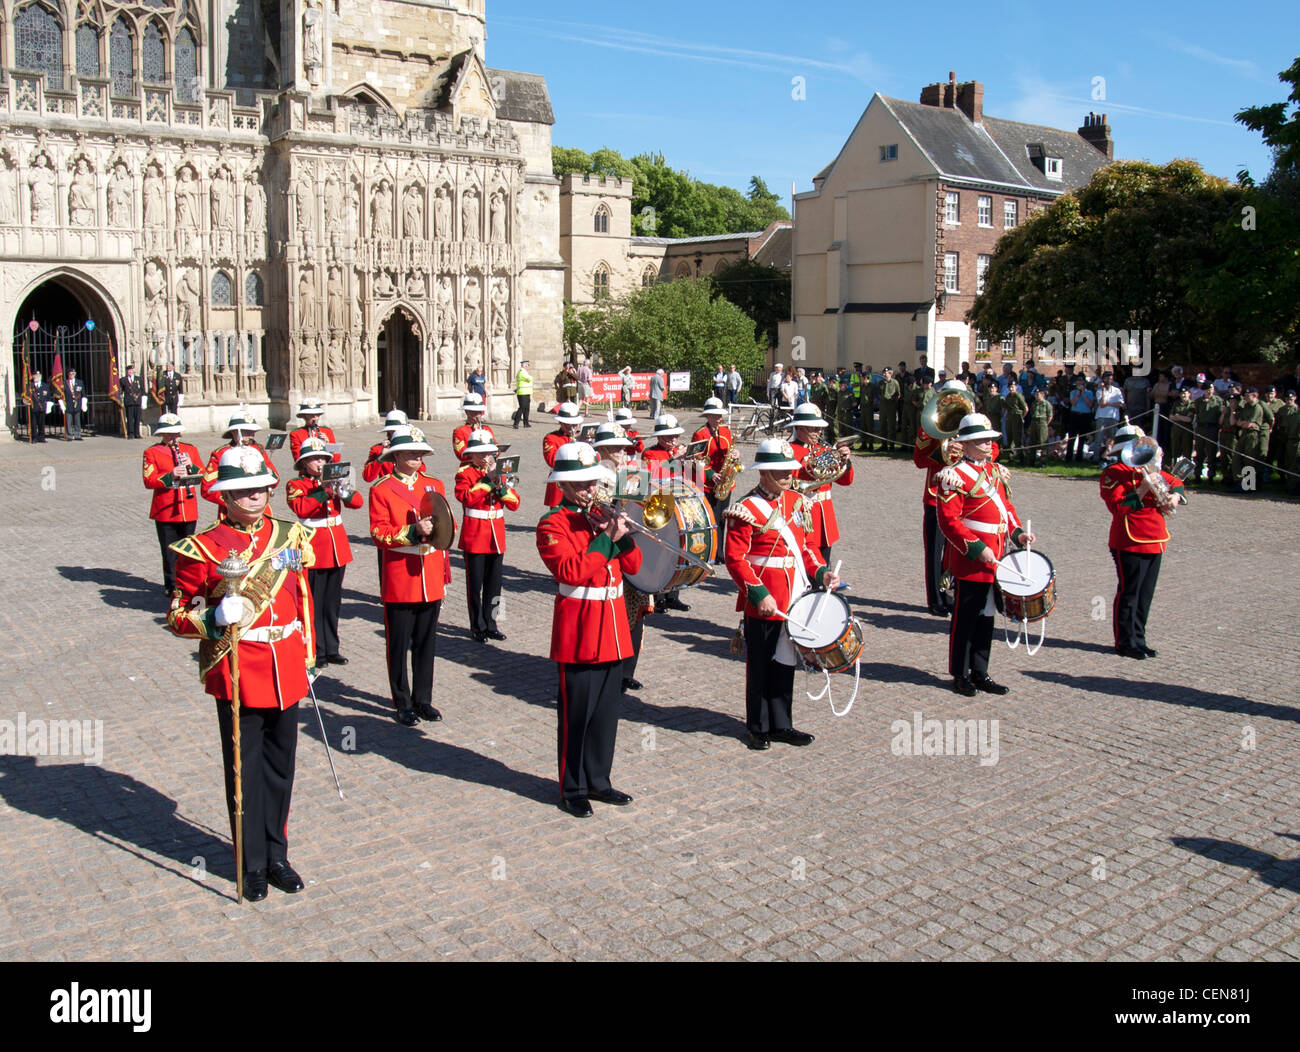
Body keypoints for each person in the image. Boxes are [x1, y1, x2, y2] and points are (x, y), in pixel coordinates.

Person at [166, 445, 314, 900]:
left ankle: (277, 854)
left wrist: (308, 652)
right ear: (224, 497)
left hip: (285, 661)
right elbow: (176, 614)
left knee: (280, 767)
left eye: (260, 488)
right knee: (244, 769)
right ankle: (249, 862)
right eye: (242, 490)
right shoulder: (201, 547)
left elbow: (302, 593)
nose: (254, 496)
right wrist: (212, 618)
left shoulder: (289, 535)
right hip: (239, 664)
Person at [536, 442, 642, 817]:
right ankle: (572, 787)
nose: (589, 490)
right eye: (580, 484)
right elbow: (570, 571)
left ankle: (599, 780)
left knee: (606, 715)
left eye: (592, 482)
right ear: (563, 486)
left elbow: (636, 565)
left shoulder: (602, 517)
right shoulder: (553, 523)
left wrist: (623, 535)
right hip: (579, 630)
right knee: (576, 716)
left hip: (613, 628)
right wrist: (605, 538)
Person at [724, 438, 839, 751]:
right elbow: (735, 559)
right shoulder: (745, 509)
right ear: (764, 473)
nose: (789, 475)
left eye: (789, 470)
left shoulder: (797, 502)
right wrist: (758, 593)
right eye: (781, 471)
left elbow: (807, 547)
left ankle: (781, 723)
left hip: (794, 594)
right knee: (760, 663)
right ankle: (757, 726)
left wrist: (820, 572)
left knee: (786, 660)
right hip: (764, 597)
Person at [936, 414, 1035, 696]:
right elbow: (949, 521)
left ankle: (980, 671)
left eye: (989, 439)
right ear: (966, 445)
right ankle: (960, 673)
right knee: (965, 617)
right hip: (972, 557)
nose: (988, 444)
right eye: (981, 440)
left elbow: (1006, 509)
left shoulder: (993, 471)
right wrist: (977, 549)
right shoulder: (953, 475)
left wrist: (1017, 535)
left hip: (998, 553)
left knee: (988, 614)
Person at [369, 426, 455, 727]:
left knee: (426, 643)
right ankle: (401, 701)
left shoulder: (434, 484)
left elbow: (443, 527)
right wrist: (412, 532)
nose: (417, 457)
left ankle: (423, 699)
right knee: (398, 644)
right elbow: (379, 533)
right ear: (396, 456)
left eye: (420, 453)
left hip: (428, 572)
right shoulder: (381, 489)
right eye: (410, 453)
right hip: (401, 575)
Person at [1101, 425, 1183, 659]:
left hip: (1156, 537)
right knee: (1130, 593)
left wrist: (1174, 497)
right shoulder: (1113, 473)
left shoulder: (1149, 469)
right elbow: (1119, 507)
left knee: (1145, 594)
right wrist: (1145, 486)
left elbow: (1176, 482)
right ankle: (1125, 642)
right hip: (1129, 539)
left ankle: (1139, 638)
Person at [287, 436, 363, 666]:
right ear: (303, 463)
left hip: (336, 547)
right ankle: (316, 650)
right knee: (315, 603)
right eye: (314, 459)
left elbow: (357, 502)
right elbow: (300, 507)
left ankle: (332, 647)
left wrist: (343, 491)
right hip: (314, 548)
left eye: (323, 458)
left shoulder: (334, 480)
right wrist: (322, 491)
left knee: (332, 602)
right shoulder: (296, 484)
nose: (320, 462)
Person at [592, 423, 651, 692]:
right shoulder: (596, 477)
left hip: (632, 545)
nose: (619, 450)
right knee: (615, 612)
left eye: (622, 446)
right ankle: (612, 667)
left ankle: (628, 669)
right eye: (613, 446)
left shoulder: (629, 473)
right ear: (601, 448)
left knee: (637, 609)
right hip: (612, 549)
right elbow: (600, 512)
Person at [455, 429, 520, 643]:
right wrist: (488, 481)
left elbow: (515, 504)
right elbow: (466, 498)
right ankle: (477, 626)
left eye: (489, 453)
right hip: (475, 533)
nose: (486, 457)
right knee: (475, 586)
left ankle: (492, 623)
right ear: (472, 455)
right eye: (481, 453)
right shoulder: (464, 472)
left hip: (496, 534)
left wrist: (500, 486)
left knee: (495, 584)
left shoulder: (501, 471)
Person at [914, 380, 968, 616]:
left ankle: (953, 595)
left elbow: (992, 450)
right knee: (935, 552)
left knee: (957, 550)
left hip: (965, 497)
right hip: (936, 497)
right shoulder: (930, 426)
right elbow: (919, 459)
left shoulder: (971, 424)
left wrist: (964, 451)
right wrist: (943, 453)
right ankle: (936, 599)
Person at [786, 403, 854, 570]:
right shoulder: (789, 451)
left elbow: (845, 480)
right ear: (800, 428)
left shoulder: (824, 449)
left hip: (825, 515)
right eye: (814, 428)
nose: (819, 432)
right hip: (804, 514)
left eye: (819, 428)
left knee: (824, 565)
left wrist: (845, 461)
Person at [143, 413, 202, 595]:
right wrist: (171, 475)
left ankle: (186, 583)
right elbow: (148, 480)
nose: (173, 438)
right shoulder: (151, 452)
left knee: (187, 549)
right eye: (169, 435)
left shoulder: (190, 450)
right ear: (162, 435)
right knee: (169, 551)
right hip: (166, 509)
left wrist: (191, 466)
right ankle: (171, 585)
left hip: (187, 507)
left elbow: (203, 473)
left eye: (176, 434)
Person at [641, 414, 690, 612]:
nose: (673, 440)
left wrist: (689, 461)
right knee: (659, 552)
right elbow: (652, 476)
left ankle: (673, 595)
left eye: (675, 436)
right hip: (659, 506)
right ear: (659, 438)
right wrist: (674, 460)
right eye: (669, 437)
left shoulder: (679, 451)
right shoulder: (650, 453)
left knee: (678, 552)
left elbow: (692, 477)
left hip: (678, 505)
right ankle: (658, 596)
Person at [202, 412, 280, 505]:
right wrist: (234, 502)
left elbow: (276, 479)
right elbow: (207, 489)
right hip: (233, 511)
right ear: (234, 432)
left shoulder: (258, 449)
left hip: (259, 507)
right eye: (247, 432)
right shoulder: (220, 454)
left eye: (253, 432)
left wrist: (270, 474)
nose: (251, 436)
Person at [691, 398, 736, 558]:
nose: (719, 418)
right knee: (712, 519)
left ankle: (720, 553)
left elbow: (730, 452)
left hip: (725, 482)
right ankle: (711, 551)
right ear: (708, 416)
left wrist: (736, 456)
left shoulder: (726, 431)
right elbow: (695, 458)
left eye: (720, 415)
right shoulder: (700, 433)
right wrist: (711, 474)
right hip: (709, 483)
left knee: (723, 518)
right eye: (716, 415)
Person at [543, 402, 584, 507]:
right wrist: (572, 444)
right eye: (570, 424)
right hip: (560, 484)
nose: (574, 427)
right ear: (561, 423)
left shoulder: (581, 437)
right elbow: (552, 461)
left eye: (575, 424)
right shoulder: (551, 438)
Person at [363, 409, 407, 483]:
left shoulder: (411, 448)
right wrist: (381, 457)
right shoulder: (377, 449)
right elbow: (368, 477)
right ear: (389, 432)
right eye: (395, 431)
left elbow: (421, 470)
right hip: (388, 489)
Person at [1193, 383, 1223, 483]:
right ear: (1204, 391)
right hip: (1201, 428)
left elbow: (1221, 413)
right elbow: (1196, 413)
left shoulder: (1218, 401)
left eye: (1211, 389)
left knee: (1211, 453)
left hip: (1212, 428)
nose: (1209, 391)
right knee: (1199, 452)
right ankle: (1197, 475)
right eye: (1207, 389)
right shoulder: (1198, 401)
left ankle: (1211, 476)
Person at [452, 392, 492, 462]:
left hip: (488, 464)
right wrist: (480, 455)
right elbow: (461, 454)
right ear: (467, 412)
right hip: (471, 466)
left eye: (479, 412)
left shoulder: (487, 429)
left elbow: (496, 448)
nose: (478, 414)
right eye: (474, 412)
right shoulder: (459, 431)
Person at [1026, 388, 1052, 466]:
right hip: (1034, 421)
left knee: (1043, 442)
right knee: (1032, 442)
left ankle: (1043, 462)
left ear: (1043, 395)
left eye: (1038, 394)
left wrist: (1045, 424)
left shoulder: (1046, 404)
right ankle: (1031, 461)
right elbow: (1032, 413)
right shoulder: (1034, 403)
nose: (1037, 396)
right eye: (1036, 394)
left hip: (1042, 421)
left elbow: (1050, 415)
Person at [1003, 381, 1028, 464]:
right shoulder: (1008, 396)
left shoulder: (1018, 396)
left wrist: (1022, 418)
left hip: (1017, 417)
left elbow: (1026, 408)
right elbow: (1006, 407)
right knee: (1010, 438)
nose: (1011, 388)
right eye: (1010, 387)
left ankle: (1022, 458)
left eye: (1013, 387)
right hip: (1010, 417)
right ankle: (1011, 457)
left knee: (1018, 439)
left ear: (1016, 387)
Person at [877, 367, 901, 451]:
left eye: (885, 373)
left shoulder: (895, 382)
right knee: (882, 426)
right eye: (883, 373)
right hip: (883, 407)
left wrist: (893, 402)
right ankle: (883, 445)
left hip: (891, 407)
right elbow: (879, 394)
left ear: (890, 373)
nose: (884, 374)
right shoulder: (880, 383)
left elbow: (898, 394)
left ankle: (891, 445)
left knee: (891, 427)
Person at [25, 369, 51, 442]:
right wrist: (27, 401)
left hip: (42, 407)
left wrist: (49, 405)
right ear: (33, 376)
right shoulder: (30, 386)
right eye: (36, 375)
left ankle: (41, 437)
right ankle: (34, 437)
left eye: (39, 375)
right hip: (33, 407)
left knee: (41, 423)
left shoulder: (45, 386)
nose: (37, 376)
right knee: (33, 424)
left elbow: (48, 396)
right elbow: (26, 395)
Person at [62, 368, 87, 440]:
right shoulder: (65, 382)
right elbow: (62, 394)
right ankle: (69, 435)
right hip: (68, 404)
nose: (71, 375)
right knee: (68, 421)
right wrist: (62, 404)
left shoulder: (79, 382)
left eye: (73, 373)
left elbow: (83, 393)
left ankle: (77, 435)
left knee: (77, 421)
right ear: (68, 374)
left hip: (77, 404)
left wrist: (84, 403)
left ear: (75, 374)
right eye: (70, 374)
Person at [121, 364, 144, 439]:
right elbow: (121, 391)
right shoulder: (123, 380)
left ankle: (137, 433)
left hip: (137, 401)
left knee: (137, 418)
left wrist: (143, 400)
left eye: (131, 370)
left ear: (133, 371)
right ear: (127, 371)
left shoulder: (139, 379)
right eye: (129, 370)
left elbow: (142, 390)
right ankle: (131, 433)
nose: (130, 372)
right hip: (129, 401)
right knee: (130, 418)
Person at [512, 360, 533, 429]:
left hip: (526, 392)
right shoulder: (521, 372)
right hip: (522, 393)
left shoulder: (524, 372)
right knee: (522, 408)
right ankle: (516, 423)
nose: (528, 367)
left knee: (527, 409)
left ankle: (526, 423)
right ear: (524, 366)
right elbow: (529, 379)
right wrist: (530, 377)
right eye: (527, 366)